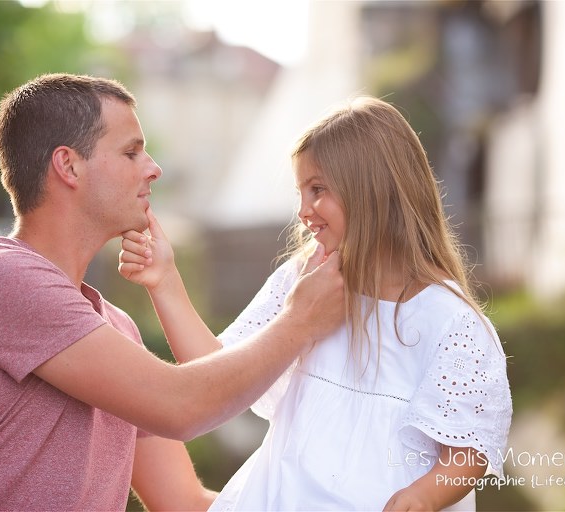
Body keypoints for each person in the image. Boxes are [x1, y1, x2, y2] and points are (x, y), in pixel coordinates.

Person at [0, 73, 346, 511]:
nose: (154, 168)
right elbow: (182, 405)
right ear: (68, 165)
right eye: (132, 152)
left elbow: (184, 502)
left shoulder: (116, 328)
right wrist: (300, 320)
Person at [119, 96, 512, 511]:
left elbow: (470, 448)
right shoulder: (303, 281)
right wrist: (165, 280)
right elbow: (215, 369)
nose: (303, 211)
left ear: (372, 191)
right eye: (301, 192)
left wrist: (422, 496)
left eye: (318, 189)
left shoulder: (451, 321)